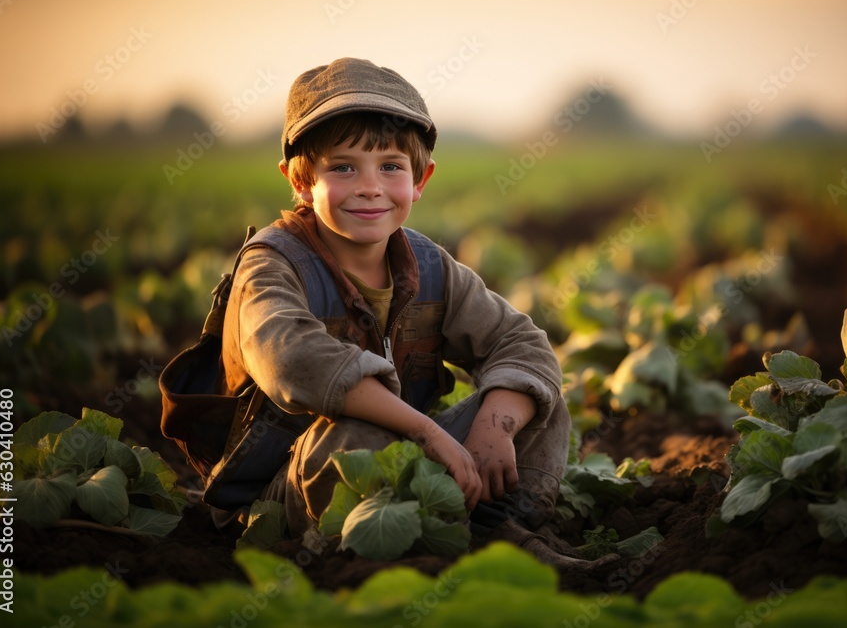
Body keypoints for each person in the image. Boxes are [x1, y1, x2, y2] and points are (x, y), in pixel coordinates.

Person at [212, 57, 602, 569]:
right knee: (357, 437)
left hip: (408, 456)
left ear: (421, 178)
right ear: (301, 180)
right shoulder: (274, 264)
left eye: (391, 166)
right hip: (279, 493)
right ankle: (410, 558)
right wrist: (428, 431)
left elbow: (520, 342)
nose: (370, 186)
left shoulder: (428, 265)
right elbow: (293, 360)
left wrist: (496, 425)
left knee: (530, 395)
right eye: (343, 166)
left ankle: (500, 533)